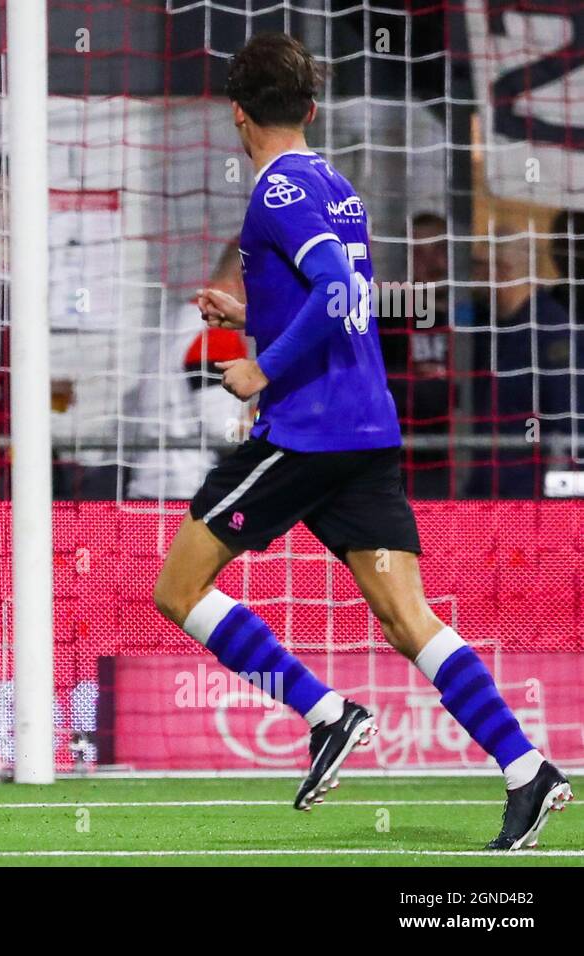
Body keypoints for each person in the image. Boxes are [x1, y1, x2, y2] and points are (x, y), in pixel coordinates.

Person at [152, 33, 570, 849]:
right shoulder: (336, 186)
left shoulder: (273, 193)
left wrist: (261, 366)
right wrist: (253, 314)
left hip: (307, 433)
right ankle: (529, 770)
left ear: (238, 115)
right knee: (405, 615)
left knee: (178, 589)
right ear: (308, 109)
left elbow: (339, 289)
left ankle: (325, 712)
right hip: (368, 427)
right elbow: (343, 298)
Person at [127, 239, 249, 500]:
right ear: (246, 276)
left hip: (148, 486)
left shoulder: (173, 322)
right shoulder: (217, 334)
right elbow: (224, 430)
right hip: (189, 496)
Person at [464, 228, 576, 498]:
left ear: (504, 270)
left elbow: (567, 422)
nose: (471, 275)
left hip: (529, 497)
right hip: (480, 489)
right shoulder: (481, 326)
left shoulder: (552, 331)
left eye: (479, 266)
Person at [377, 212, 456, 497]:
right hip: (408, 464)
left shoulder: (476, 315)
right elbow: (378, 387)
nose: (431, 262)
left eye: (438, 249)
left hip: (466, 458)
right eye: (418, 252)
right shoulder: (389, 316)